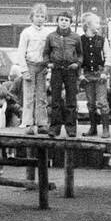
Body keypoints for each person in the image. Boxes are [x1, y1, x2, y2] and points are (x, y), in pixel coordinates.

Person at [44, 9, 83, 138]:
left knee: (71, 100)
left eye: (66, 20)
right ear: (57, 21)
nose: (64, 22)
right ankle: (54, 128)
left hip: (70, 70)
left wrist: (77, 64)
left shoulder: (76, 37)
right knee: (55, 99)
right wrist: (48, 63)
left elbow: (80, 54)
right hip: (56, 69)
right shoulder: (51, 37)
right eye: (61, 20)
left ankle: (71, 128)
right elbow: (46, 53)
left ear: (70, 22)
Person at [16, 6, 50, 134]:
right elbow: (20, 52)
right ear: (32, 17)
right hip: (30, 65)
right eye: (37, 16)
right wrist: (24, 70)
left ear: (45, 18)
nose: (40, 19)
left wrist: (47, 66)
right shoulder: (26, 32)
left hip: (42, 67)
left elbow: (48, 52)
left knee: (42, 96)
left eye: (42, 17)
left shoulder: (48, 33)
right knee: (29, 96)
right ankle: (28, 123)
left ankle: (42, 123)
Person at [80, 13, 111, 136]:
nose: (99, 25)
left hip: (99, 74)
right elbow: (78, 57)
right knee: (90, 103)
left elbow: (108, 56)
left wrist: (105, 72)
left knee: (102, 102)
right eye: (96, 23)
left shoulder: (102, 39)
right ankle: (93, 128)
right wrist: (80, 74)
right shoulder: (80, 40)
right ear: (88, 25)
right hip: (87, 75)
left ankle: (106, 129)